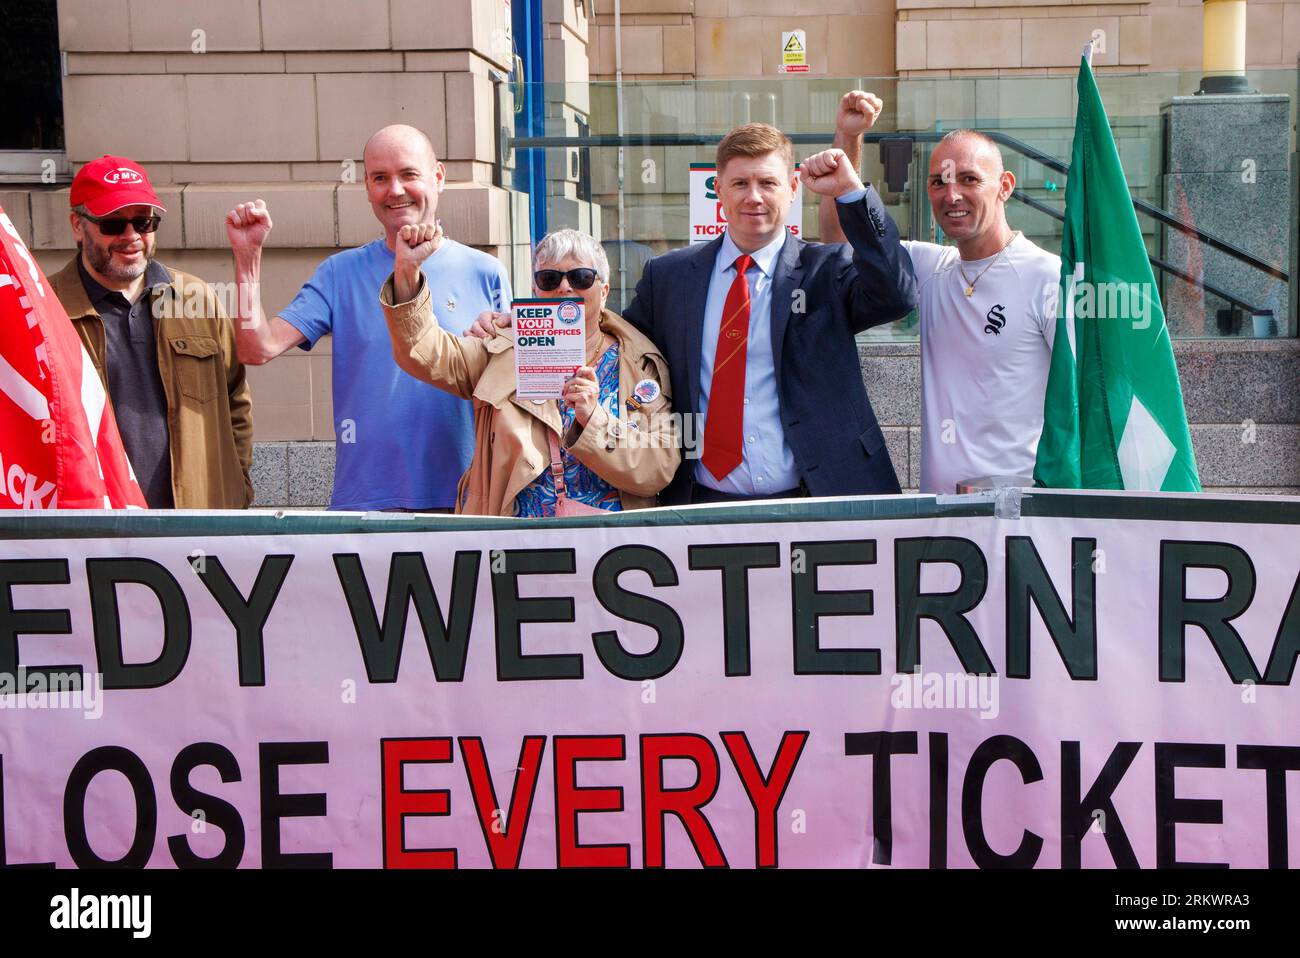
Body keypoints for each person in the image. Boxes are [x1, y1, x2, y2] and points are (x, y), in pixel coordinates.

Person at [476, 121, 917, 504]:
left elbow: (896, 294)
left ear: (793, 188)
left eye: (768, 183)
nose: (754, 197)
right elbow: (616, 341)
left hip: (816, 498)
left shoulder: (826, 271)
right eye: (740, 184)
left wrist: (852, 194)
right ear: (719, 190)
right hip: (699, 503)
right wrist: (536, 322)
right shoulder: (670, 279)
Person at [226, 124, 512, 512]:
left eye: (408, 174)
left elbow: (513, 388)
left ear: (438, 177)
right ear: (366, 187)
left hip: (468, 498)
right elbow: (256, 348)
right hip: (366, 503)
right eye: (380, 178)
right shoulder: (339, 272)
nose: (394, 190)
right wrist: (247, 261)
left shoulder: (486, 271)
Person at [817, 91, 1061, 495]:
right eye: (938, 182)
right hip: (942, 523)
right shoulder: (930, 267)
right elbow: (840, 239)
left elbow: (1085, 406)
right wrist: (848, 138)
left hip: (1022, 518)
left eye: (969, 179)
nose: (952, 196)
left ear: (1005, 186)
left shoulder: (1049, 277)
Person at [381, 226, 679, 516]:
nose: (565, 287)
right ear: (535, 289)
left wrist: (594, 421)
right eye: (549, 278)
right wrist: (408, 271)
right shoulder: (501, 350)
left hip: (609, 547)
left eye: (581, 277)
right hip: (515, 544)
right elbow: (423, 352)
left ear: (603, 291)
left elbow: (658, 467)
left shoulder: (639, 363)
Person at [49, 155, 252, 508]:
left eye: (144, 222)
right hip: (96, 528)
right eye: (113, 223)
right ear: (78, 226)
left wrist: (238, 484)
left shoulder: (197, 297)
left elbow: (235, 397)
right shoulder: (47, 309)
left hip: (197, 525)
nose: (131, 237)